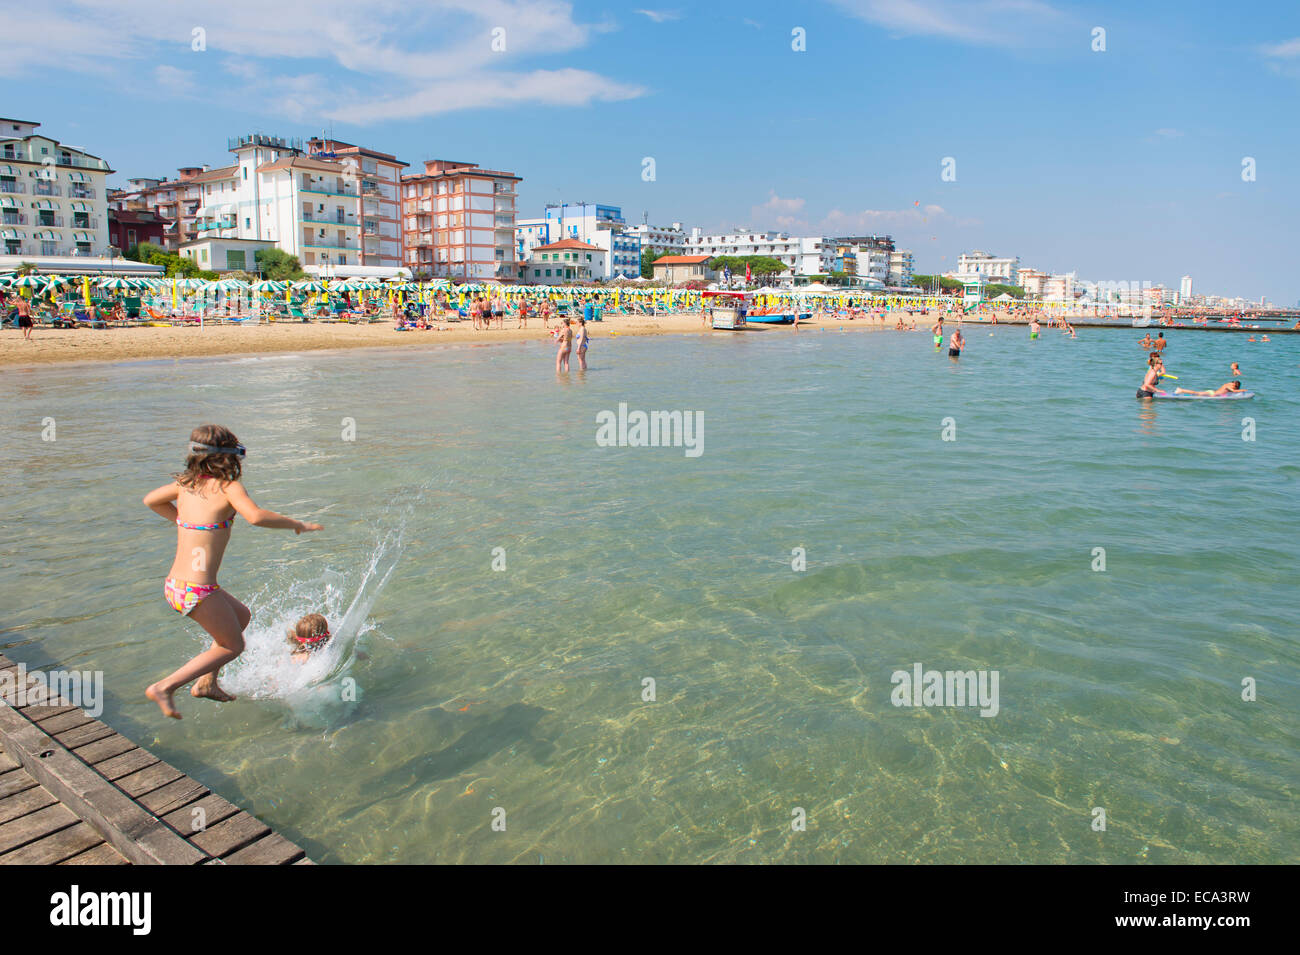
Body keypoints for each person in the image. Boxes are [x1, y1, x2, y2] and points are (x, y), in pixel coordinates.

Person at [142, 425, 323, 719]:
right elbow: (255, 516)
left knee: (242, 617)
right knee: (233, 646)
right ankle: (165, 686)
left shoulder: (186, 485)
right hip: (197, 591)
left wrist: (182, 520)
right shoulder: (228, 488)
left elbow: (150, 500)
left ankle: (207, 683)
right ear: (231, 457)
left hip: (177, 585)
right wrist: (297, 524)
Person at [1174, 381, 1244, 397]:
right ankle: (1181, 390)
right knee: (1196, 393)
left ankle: (1181, 390)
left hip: (1212, 392)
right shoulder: (1228, 386)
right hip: (1212, 393)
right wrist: (1243, 390)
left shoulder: (1228, 384)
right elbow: (1233, 391)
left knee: (1196, 393)